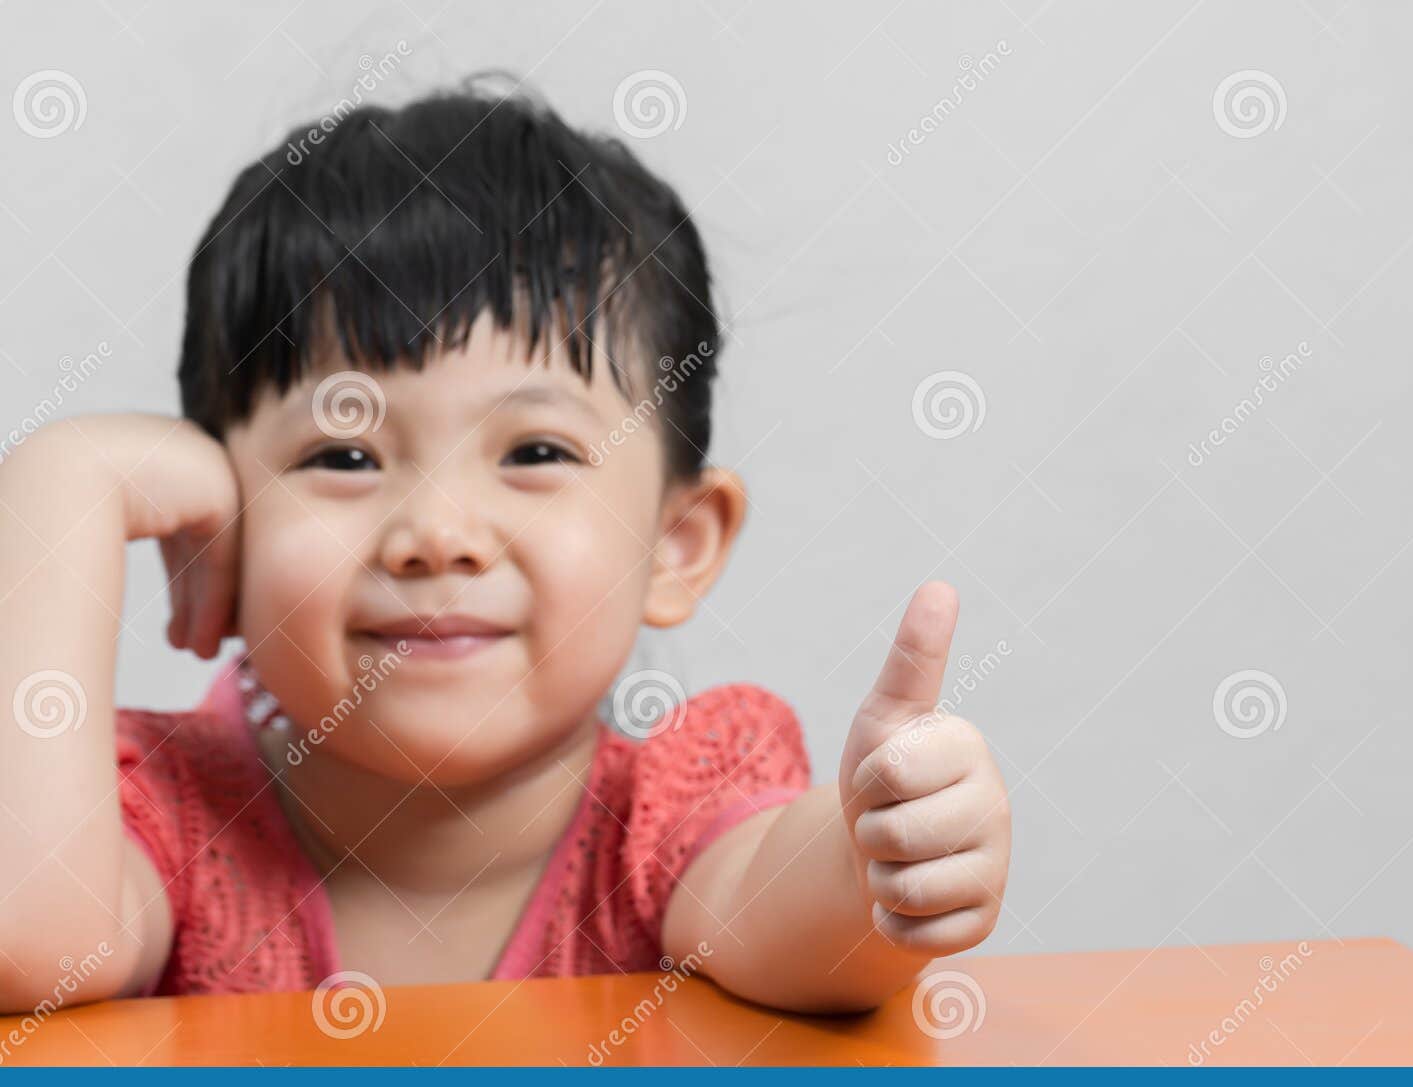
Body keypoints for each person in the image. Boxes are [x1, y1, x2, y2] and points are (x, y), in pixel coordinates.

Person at [0, 81, 1011, 1016]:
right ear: (209, 533)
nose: (436, 534)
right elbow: (29, 943)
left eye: (534, 449)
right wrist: (59, 484)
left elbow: (784, 913)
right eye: (343, 454)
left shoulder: (668, 817)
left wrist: (875, 857)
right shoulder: (162, 814)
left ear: (675, 545)